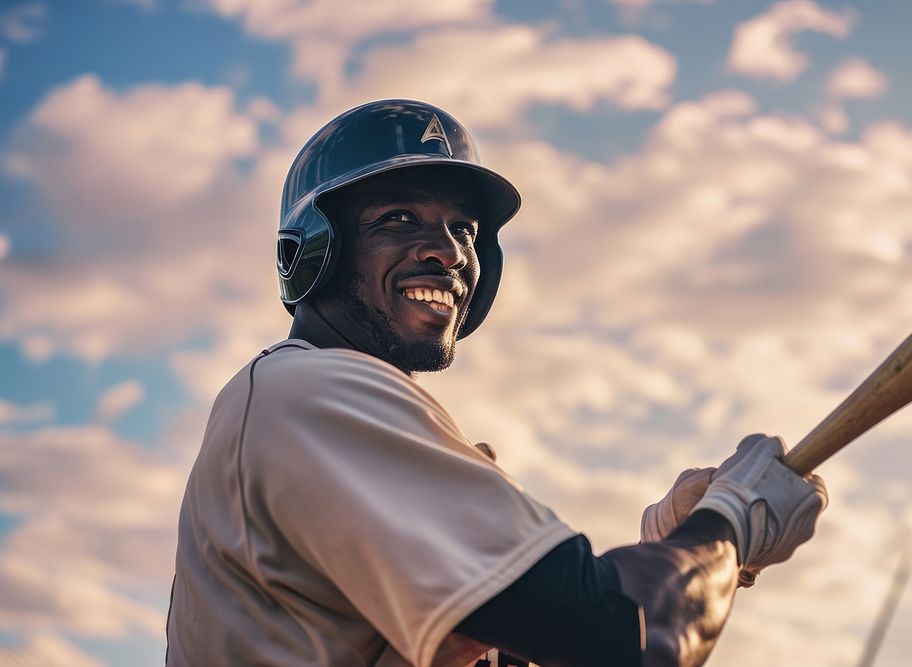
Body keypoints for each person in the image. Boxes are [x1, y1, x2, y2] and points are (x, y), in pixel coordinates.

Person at [166, 99, 827, 667]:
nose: (449, 250)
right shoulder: (306, 393)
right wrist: (733, 520)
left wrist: (672, 549)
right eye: (399, 218)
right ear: (314, 250)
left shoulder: (336, 426)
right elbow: (618, 637)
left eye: (464, 229)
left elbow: (571, 632)